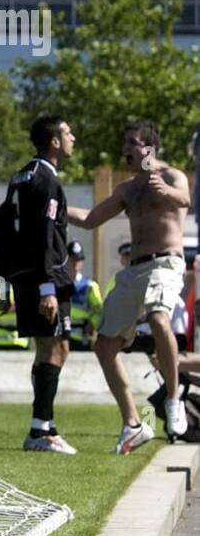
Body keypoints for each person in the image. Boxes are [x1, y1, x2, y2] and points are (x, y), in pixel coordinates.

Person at [68, 121, 192, 451]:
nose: (125, 148)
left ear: (149, 148)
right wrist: (53, 208)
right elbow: (92, 218)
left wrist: (168, 192)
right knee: (104, 346)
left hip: (166, 263)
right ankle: (133, 424)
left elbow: (184, 199)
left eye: (132, 142)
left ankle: (174, 398)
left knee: (158, 318)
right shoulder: (127, 189)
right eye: (124, 141)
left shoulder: (171, 176)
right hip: (134, 270)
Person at [0, 116, 77, 454]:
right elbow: (46, 235)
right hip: (46, 278)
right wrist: (47, 288)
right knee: (54, 347)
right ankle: (40, 431)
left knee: (52, 348)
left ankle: (45, 424)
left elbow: (2, 228)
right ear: (55, 142)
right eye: (68, 133)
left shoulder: (20, 177)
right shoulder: (46, 181)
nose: (73, 137)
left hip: (23, 277)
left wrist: (2, 285)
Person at [67, 241, 103, 352]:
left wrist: (93, 324)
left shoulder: (90, 286)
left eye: (78, 260)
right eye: (72, 259)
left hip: (81, 338)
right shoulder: (57, 284)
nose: (75, 263)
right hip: (60, 337)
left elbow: (99, 311)